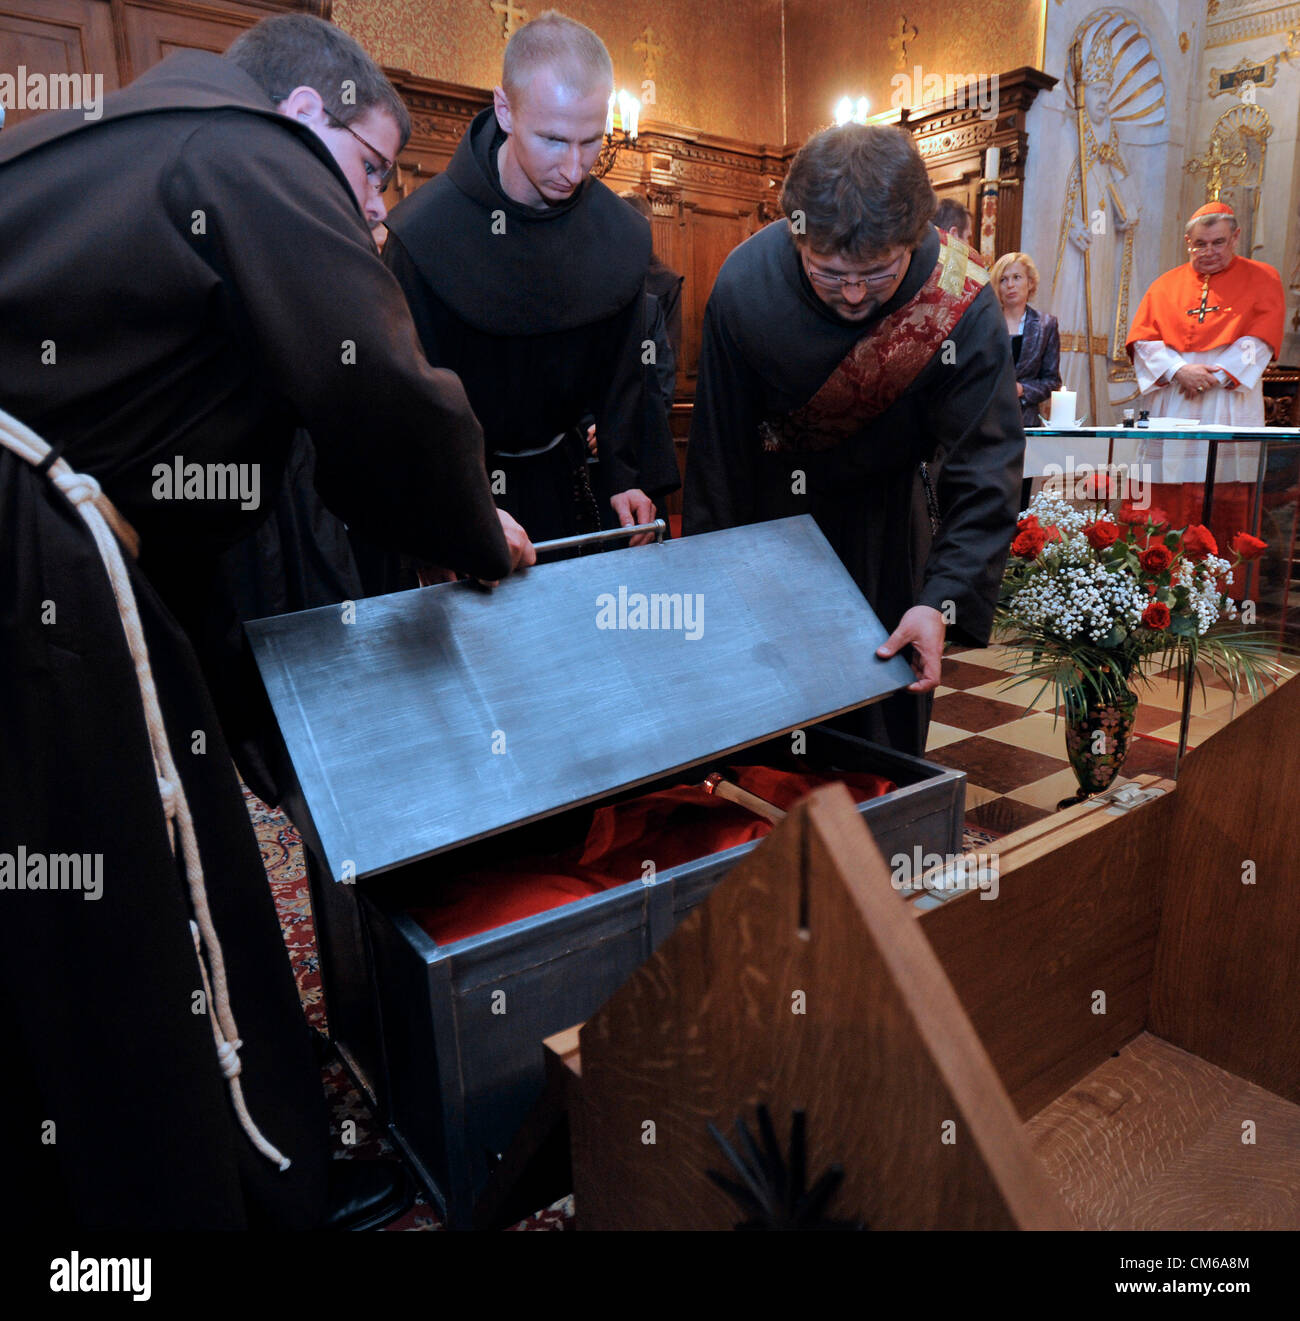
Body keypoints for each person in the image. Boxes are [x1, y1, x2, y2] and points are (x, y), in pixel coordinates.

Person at [0, 14, 531, 1231]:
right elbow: (374, 386)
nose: (377, 215)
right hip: (31, 557)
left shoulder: (110, 139)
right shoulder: (252, 150)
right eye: (374, 173)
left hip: (57, 546)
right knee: (131, 894)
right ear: (306, 121)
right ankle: (207, 1191)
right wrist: (469, 523)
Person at [683, 124, 1024, 756]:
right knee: (762, 730)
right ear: (797, 234)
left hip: (886, 534)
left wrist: (939, 601)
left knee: (878, 742)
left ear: (916, 235)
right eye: (829, 273)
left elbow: (986, 468)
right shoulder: (743, 286)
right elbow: (717, 460)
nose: (854, 295)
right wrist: (711, 594)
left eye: (878, 273)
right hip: (766, 528)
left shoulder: (961, 299)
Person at [381, 10, 661, 547]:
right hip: (459, 493)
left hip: (569, 480)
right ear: (505, 109)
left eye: (591, 140)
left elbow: (627, 372)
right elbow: (408, 401)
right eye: (554, 140)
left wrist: (626, 476)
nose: (576, 168)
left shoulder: (619, 231)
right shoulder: (423, 234)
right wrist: (451, 511)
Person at [1125, 200, 1285, 561]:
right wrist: (1178, 370)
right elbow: (1144, 341)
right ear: (1188, 242)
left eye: (1218, 242)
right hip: (1175, 396)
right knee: (1168, 491)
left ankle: (1224, 594)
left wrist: (1216, 375)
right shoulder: (1164, 285)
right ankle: (1157, 584)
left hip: (1228, 401)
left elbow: (1259, 341)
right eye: (1200, 244)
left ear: (1236, 238)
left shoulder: (1263, 277)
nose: (1209, 251)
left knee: (1224, 493)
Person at [992, 252, 1060, 428]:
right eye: (1003, 280)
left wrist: (1023, 390)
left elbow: (1052, 381)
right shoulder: (985, 324)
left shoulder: (1046, 325)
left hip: (1026, 423)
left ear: (1030, 283)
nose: (1010, 285)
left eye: (1017, 277)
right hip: (988, 422)